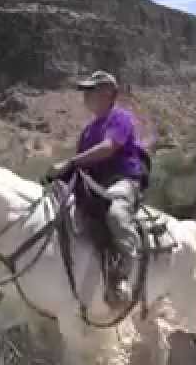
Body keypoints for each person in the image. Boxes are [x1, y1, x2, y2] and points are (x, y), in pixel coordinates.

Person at [46, 70, 149, 311]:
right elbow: (83, 164)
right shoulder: (88, 131)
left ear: (108, 93)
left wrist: (70, 163)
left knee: (116, 214)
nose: (85, 95)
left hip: (123, 180)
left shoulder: (120, 118)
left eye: (90, 90)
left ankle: (124, 272)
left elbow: (108, 147)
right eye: (85, 90)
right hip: (96, 185)